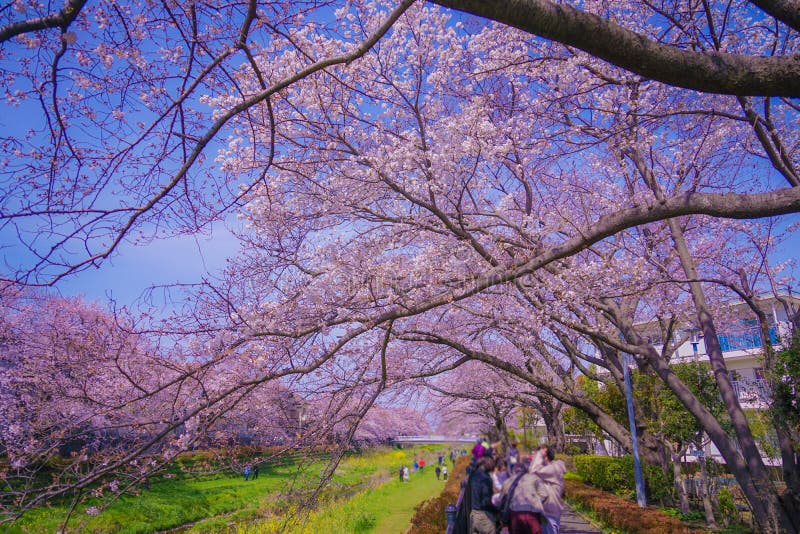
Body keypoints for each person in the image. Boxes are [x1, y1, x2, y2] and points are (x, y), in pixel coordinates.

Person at [528, 445, 566, 534]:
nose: (535, 459)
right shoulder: (548, 469)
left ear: (545, 457)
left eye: (539, 456)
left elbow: (533, 470)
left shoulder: (554, 468)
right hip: (544, 511)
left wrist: (540, 453)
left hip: (550, 513)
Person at [498, 465, 546, 534]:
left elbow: (501, 500)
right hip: (532, 514)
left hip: (515, 514)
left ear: (513, 472)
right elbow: (544, 494)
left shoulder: (508, 481)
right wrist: (535, 502)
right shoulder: (534, 478)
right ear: (527, 471)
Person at [469, 456, 498, 534]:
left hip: (474, 514)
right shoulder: (486, 479)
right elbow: (485, 502)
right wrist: (496, 510)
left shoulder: (474, 474)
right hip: (484, 516)